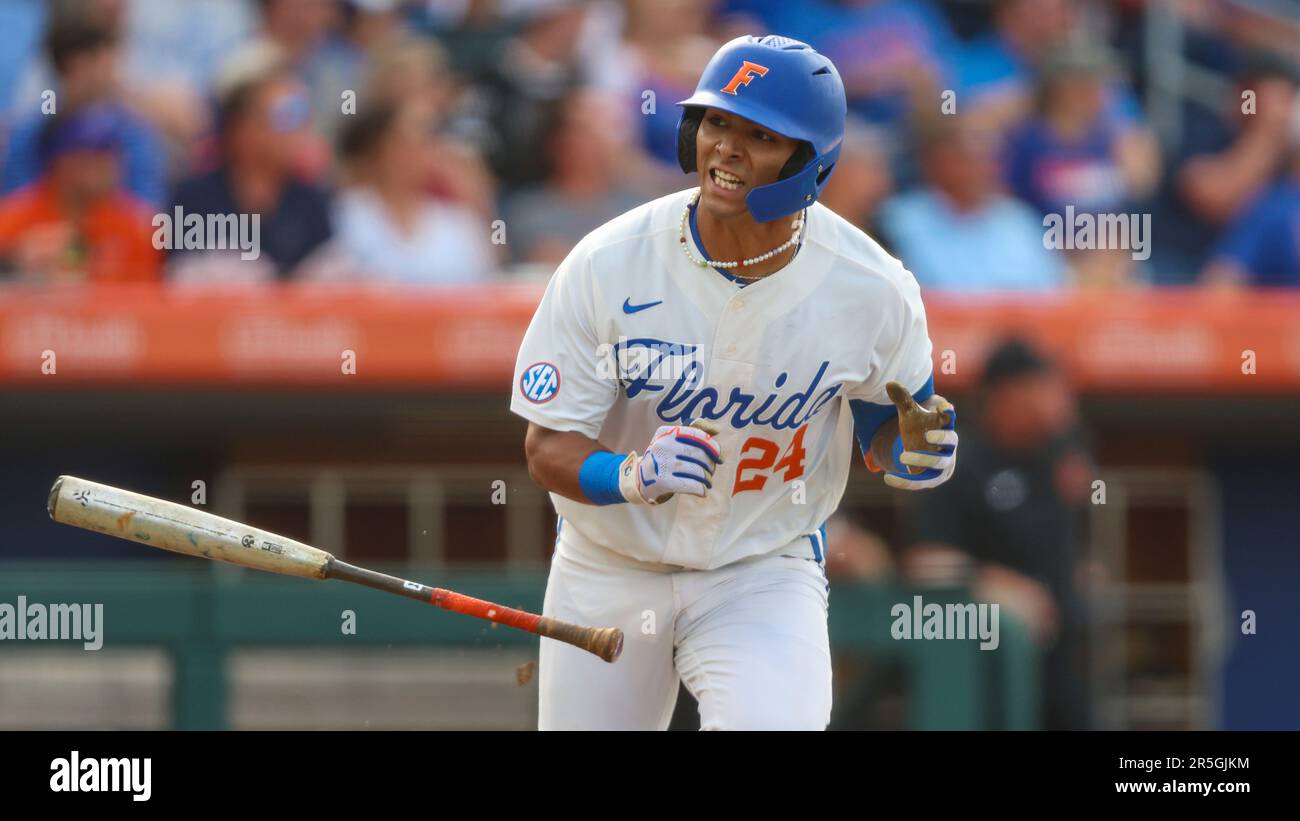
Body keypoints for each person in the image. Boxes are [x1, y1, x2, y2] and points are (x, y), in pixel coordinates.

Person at [510, 35, 959, 730]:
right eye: (717, 122)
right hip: (608, 564)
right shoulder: (608, 262)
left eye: (760, 135)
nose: (726, 147)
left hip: (761, 570)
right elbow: (545, 447)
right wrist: (630, 472)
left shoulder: (873, 288)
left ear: (811, 162)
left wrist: (914, 451)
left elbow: (885, 436)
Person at [903, 339, 1094, 730]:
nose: (1055, 399)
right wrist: (993, 581)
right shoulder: (958, 463)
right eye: (1041, 386)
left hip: (1061, 668)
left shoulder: (1060, 457)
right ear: (1007, 393)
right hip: (982, 669)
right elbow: (923, 563)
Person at [166, 43, 333, 282]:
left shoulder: (311, 202)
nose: (300, 129)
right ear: (241, 127)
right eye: (288, 116)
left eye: (303, 115)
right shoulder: (193, 199)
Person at [880, 115, 1066, 291]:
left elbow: (1057, 291)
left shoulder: (1019, 219)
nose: (980, 167)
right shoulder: (898, 220)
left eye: (988, 156)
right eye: (966, 156)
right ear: (933, 159)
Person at [329, 95, 495, 284]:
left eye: (427, 139)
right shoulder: (344, 214)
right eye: (406, 141)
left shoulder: (459, 224)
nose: (418, 152)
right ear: (378, 148)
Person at [0, 103, 161, 284]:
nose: (107, 164)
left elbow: (151, 299)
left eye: (112, 151)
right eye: (93, 152)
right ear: (58, 161)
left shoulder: (137, 225)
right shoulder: (11, 219)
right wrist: (12, 264)